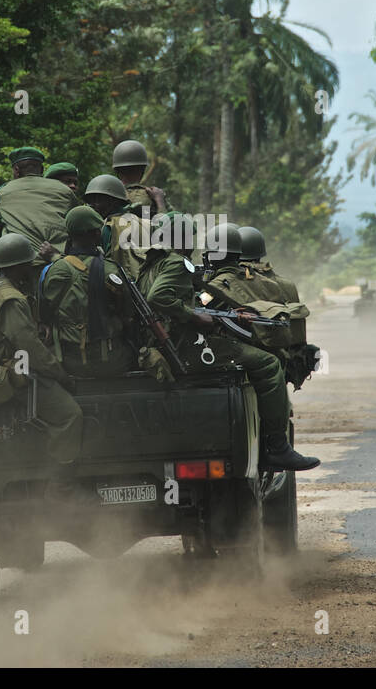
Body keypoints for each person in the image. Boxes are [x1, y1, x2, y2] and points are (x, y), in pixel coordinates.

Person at [197, 224, 319, 471]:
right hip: (255, 351)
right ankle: (276, 445)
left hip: (221, 349)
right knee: (271, 364)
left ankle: (276, 447)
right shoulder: (271, 283)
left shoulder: (216, 284)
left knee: (268, 364)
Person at [0, 233, 83, 474]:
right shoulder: (11, 298)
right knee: (70, 415)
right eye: (27, 262)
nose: (30, 267)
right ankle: (61, 487)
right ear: (18, 266)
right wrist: (60, 374)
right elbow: (28, 348)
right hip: (15, 372)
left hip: (2, 366)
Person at [37, 206, 135, 378]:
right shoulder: (110, 270)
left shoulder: (52, 270)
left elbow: (44, 314)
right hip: (111, 362)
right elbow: (127, 314)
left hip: (68, 363)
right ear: (97, 234)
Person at [0, 146, 74, 262]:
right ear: (42, 169)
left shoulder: (2, 193)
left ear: (16, 170)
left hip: (18, 266)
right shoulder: (64, 190)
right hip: (56, 263)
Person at [82, 173, 150, 275]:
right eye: (91, 201)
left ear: (111, 201)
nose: (93, 205)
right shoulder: (144, 223)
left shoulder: (108, 227)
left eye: (97, 200)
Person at [112, 139, 169, 216]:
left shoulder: (104, 197)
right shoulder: (154, 197)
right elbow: (170, 226)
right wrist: (160, 202)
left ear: (116, 171)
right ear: (143, 170)